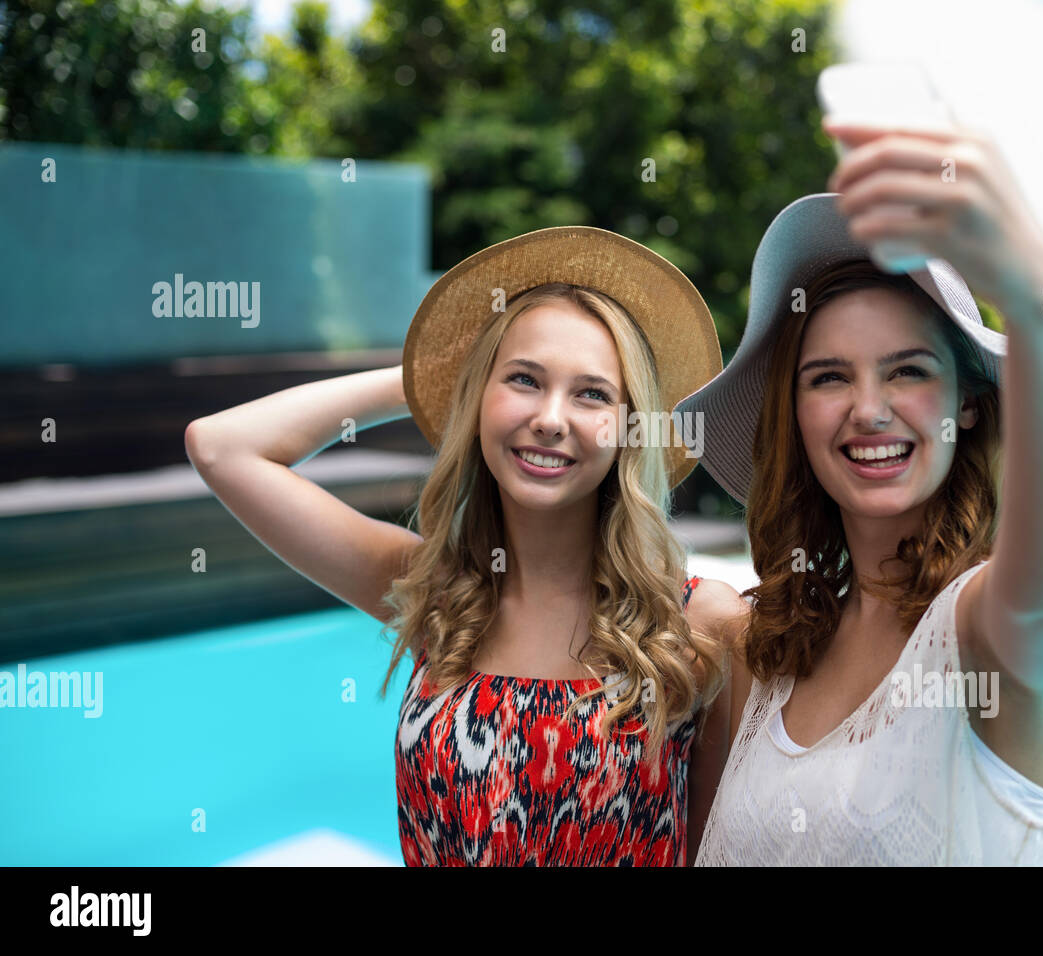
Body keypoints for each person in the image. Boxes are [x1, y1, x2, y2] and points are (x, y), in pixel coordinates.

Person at [185, 226, 749, 866]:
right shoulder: (431, 592)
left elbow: (716, 852)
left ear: (629, 428)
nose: (551, 418)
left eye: (592, 393)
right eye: (524, 379)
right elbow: (222, 447)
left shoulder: (699, 625)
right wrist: (435, 377)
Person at [679, 121, 1043, 864]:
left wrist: (1033, 299)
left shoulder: (985, 630)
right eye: (830, 377)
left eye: (908, 370)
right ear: (794, 414)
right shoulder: (766, 651)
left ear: (968, 405)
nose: (868, 409)